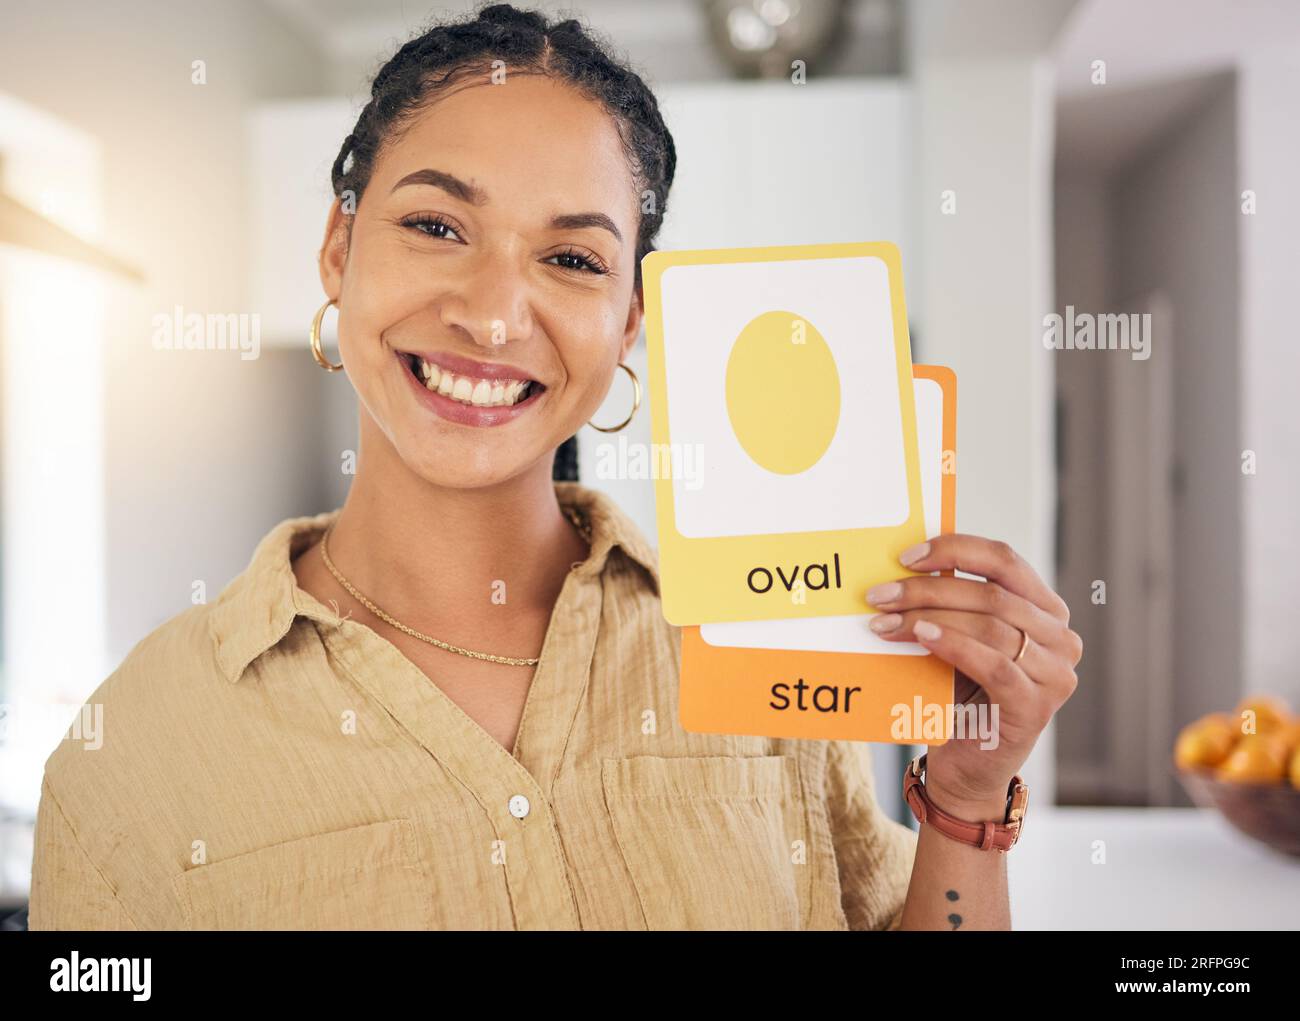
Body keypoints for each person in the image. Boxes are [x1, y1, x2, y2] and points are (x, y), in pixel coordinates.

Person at [28, 3, 1081, 930]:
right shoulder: (135, 757)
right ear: (338, 252)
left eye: (571, 257)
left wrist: (969, 796)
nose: (491, 314)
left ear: (631, 316)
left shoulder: (758, 650)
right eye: (437, 225)